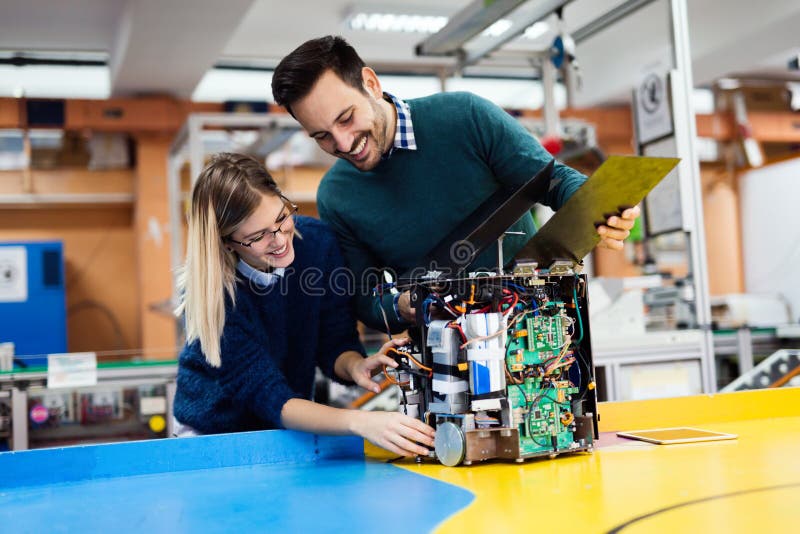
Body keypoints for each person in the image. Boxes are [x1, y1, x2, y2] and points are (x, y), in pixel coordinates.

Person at [271, 35, 640, 334]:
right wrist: (400, 307)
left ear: (370, 83)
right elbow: (366, 300)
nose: (343, 143)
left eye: (347, 118)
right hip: (444, 362)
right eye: (322, 136)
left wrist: (599, 207)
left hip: (536, 336)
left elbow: (555, 181)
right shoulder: (336, 196)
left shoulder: (464, 117)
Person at [172, 152, 434, 457]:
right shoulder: (214, 296)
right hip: (212, 437)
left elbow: (335, 341)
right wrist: (361, 422)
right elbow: (272, 398)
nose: (280, 240)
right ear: (227, 242)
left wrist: (355, 365)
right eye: (258, 236)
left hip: (283, 430)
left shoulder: (318, 244)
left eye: (282, 217)